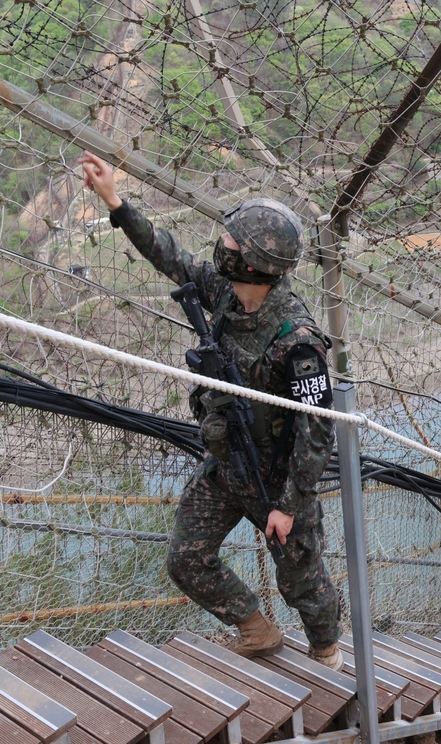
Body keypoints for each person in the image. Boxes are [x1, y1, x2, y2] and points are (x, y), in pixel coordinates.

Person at [77, 151, 344, 670]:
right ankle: (256, 628)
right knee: (187, 559)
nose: (219, 248)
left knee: (302, 583)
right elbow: (169, 255)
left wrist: (288, 505)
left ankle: (327, 654)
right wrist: (114, 200)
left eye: (230, 244)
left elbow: (317, 432)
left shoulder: (299, 340)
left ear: (254, 263)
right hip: (228, 464)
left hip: (279, 478)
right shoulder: (223, 292)